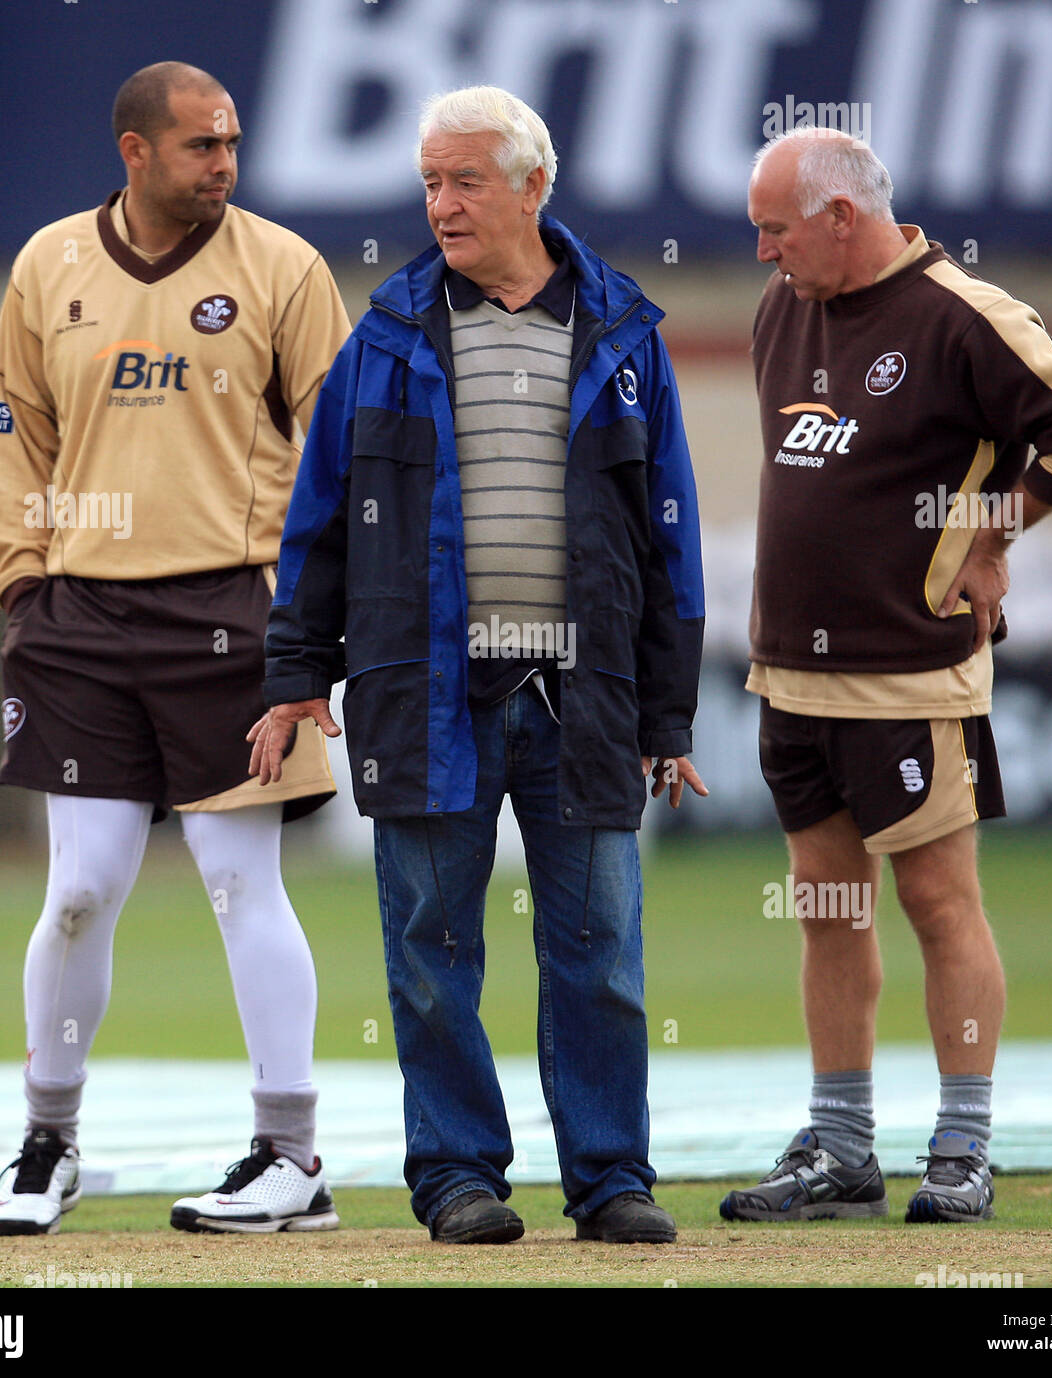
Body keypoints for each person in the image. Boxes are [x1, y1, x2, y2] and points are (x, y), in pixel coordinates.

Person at [250, 85, 706, 1244]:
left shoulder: (627, 336)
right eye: (428, 183)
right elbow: (315, 517)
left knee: (602, 956)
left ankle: (611, 1180)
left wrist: (672, 712)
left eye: (463, 182)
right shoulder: (385, 335)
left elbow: (670, 535)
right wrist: (298, 667)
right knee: (427, 955)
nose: (439, 205)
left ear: (532, 188)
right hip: (425, 692)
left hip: (585, 696)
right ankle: (456, 1174)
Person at [721, 128, 1052, 1224]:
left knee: (938, 902)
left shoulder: (964, 314)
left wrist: (994, 535)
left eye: (775, 229)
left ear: (840, 217)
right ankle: (843, 1145)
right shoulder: (783, 308)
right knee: (827, 904)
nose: (763, 253)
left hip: (907, 675)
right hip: (789, 673)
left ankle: (961, 1145)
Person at [0, 62, 351, 1236]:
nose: (226, 165)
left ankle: (291, 1155)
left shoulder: (283, 268)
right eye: (202, 146)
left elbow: (337, 453)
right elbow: (12, 430)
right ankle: (47, 1142)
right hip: (79, 620)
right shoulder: (47, 263)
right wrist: (24, 581)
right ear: (135, 152)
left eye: (233, 143)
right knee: (81, 889)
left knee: (243, 883)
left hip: (234, 619)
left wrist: (315, 625)